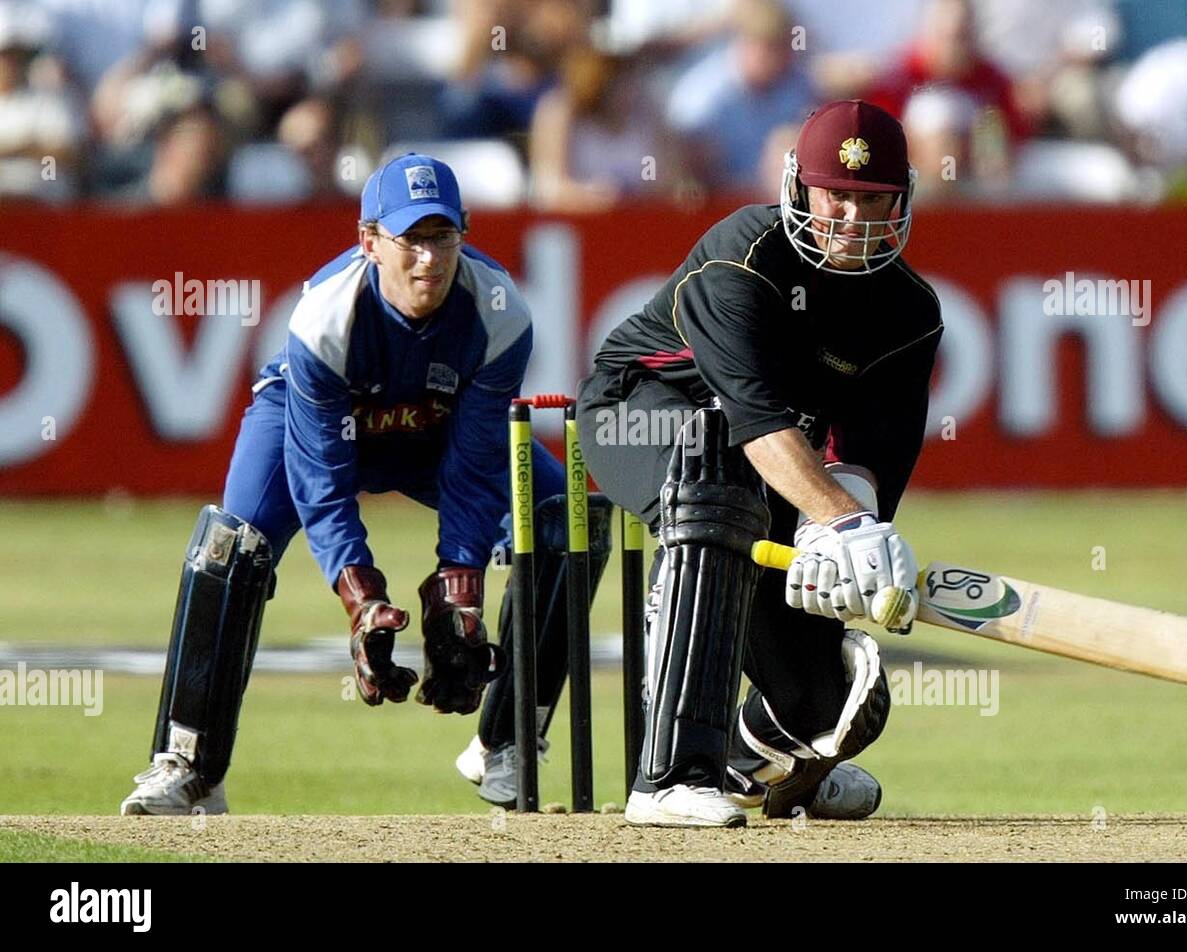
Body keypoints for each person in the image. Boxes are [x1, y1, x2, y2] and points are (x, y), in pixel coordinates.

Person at [120, 152, 566, 815]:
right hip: (321, 430)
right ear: (369, 242)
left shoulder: (501, 314)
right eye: (410, 239)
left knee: (562, 518)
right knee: (229, 548)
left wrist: (458, 592)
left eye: (442, 237)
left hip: (431, 435)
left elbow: (473, 470)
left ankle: (507, 745)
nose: (429, 259)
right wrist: (361, 598)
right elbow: (323, 483)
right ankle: (189, 766)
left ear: (463, 236)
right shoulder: (324, 318)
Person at [577, 100, 944, 827]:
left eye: (874, 198)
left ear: (902, 199)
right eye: (836, 194)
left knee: (820, 701)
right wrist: (836, 519)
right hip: (634, 413)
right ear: (798, 186)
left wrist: (844, 537)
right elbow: (753, 419)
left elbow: (869, 456)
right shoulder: (742, 257)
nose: (852, 217)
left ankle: (760, 765)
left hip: (777, 466)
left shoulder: (910, 313)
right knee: (712, 488)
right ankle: (671, 778)